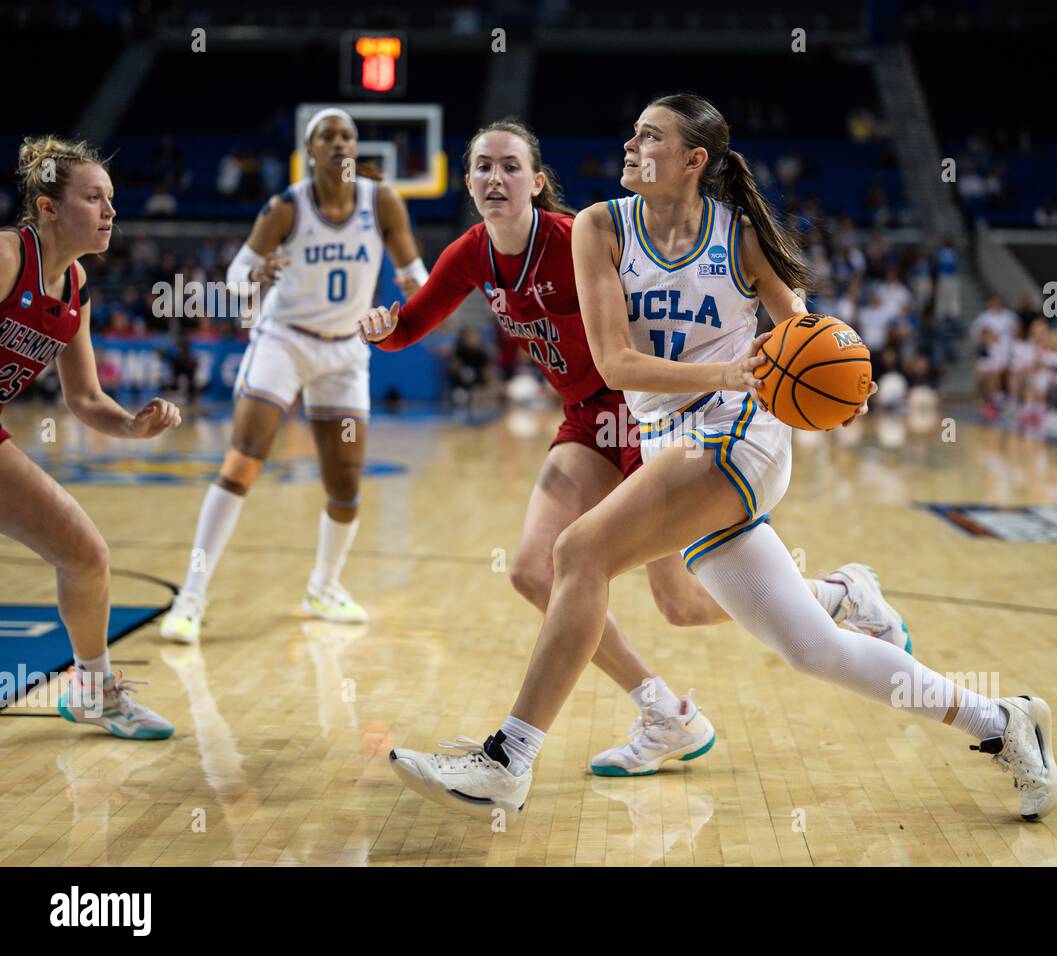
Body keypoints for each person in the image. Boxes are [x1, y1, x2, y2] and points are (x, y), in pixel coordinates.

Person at [384, 94, 1057, 821]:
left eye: (649, 137)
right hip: (674, 440)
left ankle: (507, 759)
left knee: (576, 554)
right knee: (813, 651)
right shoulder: (598, 227)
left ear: (691, 161)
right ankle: (1003, 722)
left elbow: (802, 331)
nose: (630, 146)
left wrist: (832, 381)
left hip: (741, 435)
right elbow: (614, 364)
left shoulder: (738, 238)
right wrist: (727, 369)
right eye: (632, 132)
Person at [362, 119, 902, 776]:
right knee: (535, 571)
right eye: (481, 167)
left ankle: (831, 594)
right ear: (468, 181)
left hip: (651, 416)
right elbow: (410, 325)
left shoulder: (576, 240)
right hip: (586, 420)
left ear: (537, 182)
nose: (494, 179)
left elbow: (676, 311)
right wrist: (382, 329)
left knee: (677, 602)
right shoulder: (471, 253)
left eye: (509, 167)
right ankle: (665, 710)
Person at [157, 108, 426, 643]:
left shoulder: (383, 202)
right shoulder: (286, 207)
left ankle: (323, 586)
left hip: (347, 350)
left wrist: (426, 304)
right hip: (284, 340)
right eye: (328, 136)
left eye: (348, 136)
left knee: (346, 484)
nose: (340, 144)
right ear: (309, 150)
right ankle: (191, 594)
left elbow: (413, 276)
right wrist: (255, 274)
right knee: (241, 462)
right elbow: (235, 277)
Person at [0, 136, 181, 738]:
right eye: (94, 198)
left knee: (86, 556)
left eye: (111, 199)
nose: (110, 212)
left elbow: (83, 398)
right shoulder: (5, 257)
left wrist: (132, 426)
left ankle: (93, 692)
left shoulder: (73, 283)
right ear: (48, 208)